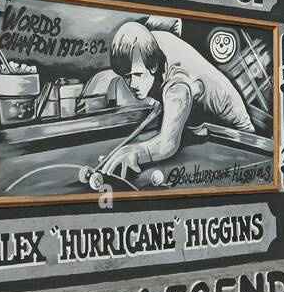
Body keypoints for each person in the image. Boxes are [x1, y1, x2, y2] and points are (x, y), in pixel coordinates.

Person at [99, 17, 253, 180]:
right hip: (201, 124)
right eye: (126, 76)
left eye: (138, 74)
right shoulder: (144, 37)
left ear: (154, 66)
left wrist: (136, 153)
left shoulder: (177, 85)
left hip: (237, 133)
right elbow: (173, 20)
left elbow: (167, 146)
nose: (133, 84)